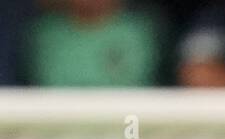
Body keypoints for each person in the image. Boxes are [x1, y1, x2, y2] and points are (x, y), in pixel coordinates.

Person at [23, 0, 162, 87]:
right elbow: (46, 85)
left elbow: (134, 85)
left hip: (125, 122)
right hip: (60, 122)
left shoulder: (138, 31)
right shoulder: (47, 33)